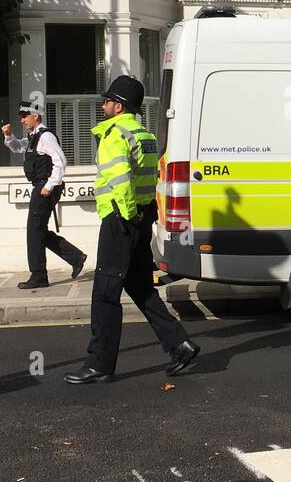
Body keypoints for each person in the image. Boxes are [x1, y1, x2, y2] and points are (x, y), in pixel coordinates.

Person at [66, 75, 199, 385]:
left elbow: (121, 181)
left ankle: (99, 364)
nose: (103, 105)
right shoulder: (144, 134)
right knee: (140, 287)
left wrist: (127, 216)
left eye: (108, 100)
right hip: (141, 220)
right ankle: (179, 345)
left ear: (119, 106)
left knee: (105, 295)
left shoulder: (114, 135)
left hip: (121, 222)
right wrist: (139, 216)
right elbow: (149, 177)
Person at [2, 100, 86, 290]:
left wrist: (50, 184)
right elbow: (17, 147)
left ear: (35, 116)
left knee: (34, 230)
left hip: (45, 187)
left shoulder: (46, 137)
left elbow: (61, 161)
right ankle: (75, 257)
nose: (22, 120)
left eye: (25, 116)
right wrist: (8, 135)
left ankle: (39, 275)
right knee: (37, 229)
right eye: (21, 117)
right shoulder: (34, 136)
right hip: (40, 187)